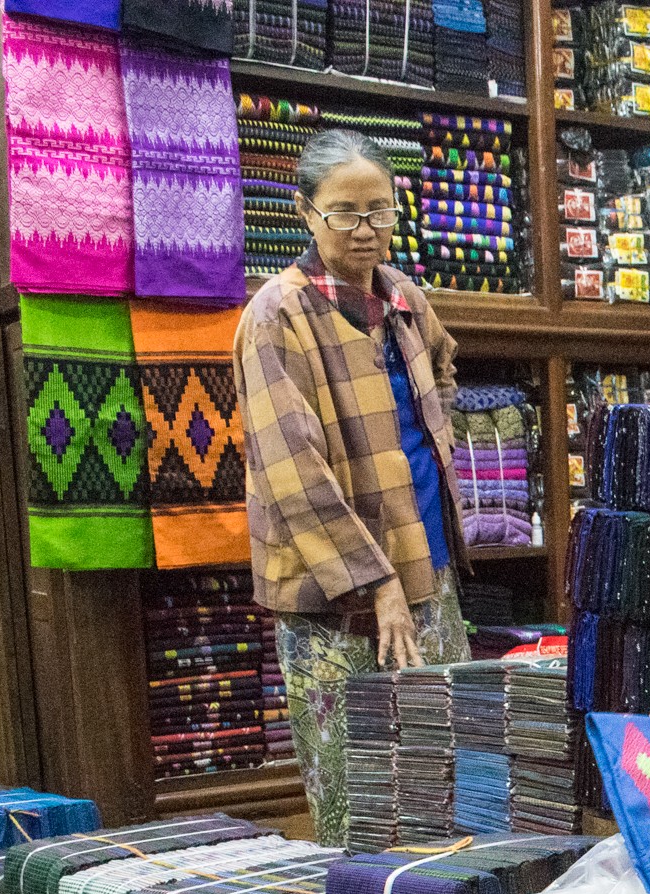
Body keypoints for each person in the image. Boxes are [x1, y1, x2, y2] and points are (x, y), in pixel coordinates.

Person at [237, 128, 469, 845]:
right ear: (306, 212)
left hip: (426, 567)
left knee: (449, 774)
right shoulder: (276, 316)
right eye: (345, 212)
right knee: (354, 791)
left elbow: (444, 379)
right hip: (335, 598)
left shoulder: (404, 299)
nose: (365, 230)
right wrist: (376, 582)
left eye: (380, 210)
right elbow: (291, 471)